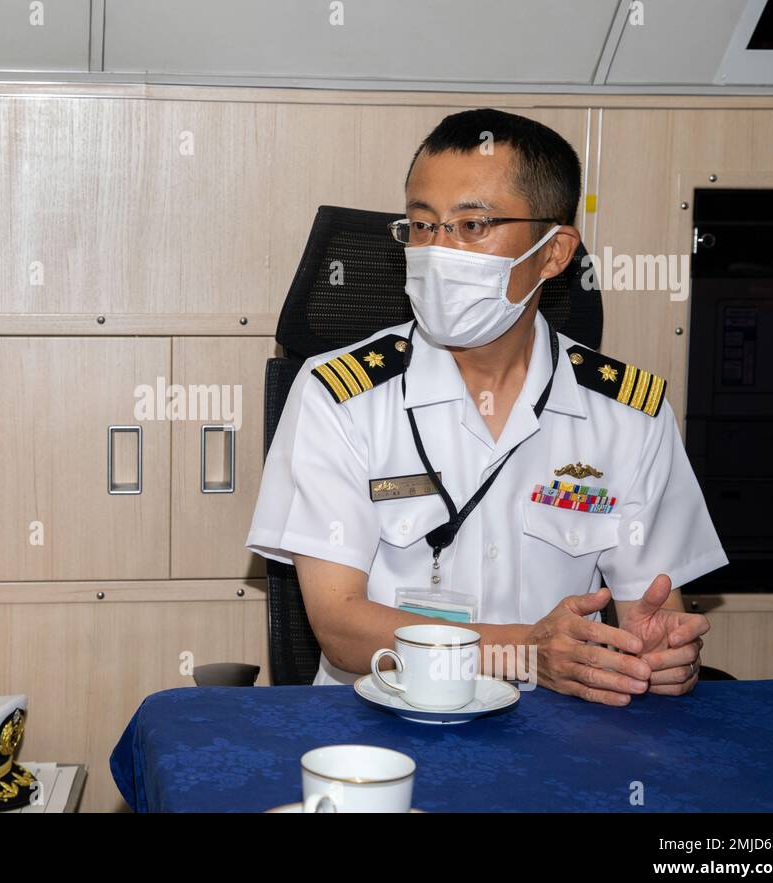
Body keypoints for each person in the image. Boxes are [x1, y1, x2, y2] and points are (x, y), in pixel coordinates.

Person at [247, 108, 728, 704]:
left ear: (553, 254)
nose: (439, 250)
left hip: (558, 731)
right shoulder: (339, 394)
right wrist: (526, 651)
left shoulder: (629, 415)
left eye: (472, 225)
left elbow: (647, 615)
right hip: (384, 723)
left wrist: (655, 659)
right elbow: (341, 628)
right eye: (423, 227)